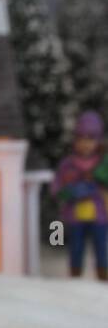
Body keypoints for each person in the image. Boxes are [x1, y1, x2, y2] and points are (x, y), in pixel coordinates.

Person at [53, 111, 108, 280]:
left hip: (99, 215)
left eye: (91, 139)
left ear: (98, 141)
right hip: (75, 216)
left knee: (102, 247)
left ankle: (103, 276)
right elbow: (57, 188)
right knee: (76, 247)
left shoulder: (103, 163)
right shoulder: (68, 165)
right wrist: (69, 192)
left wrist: (99, 180)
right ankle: (75, 276)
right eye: (81, 138)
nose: (85, 144)